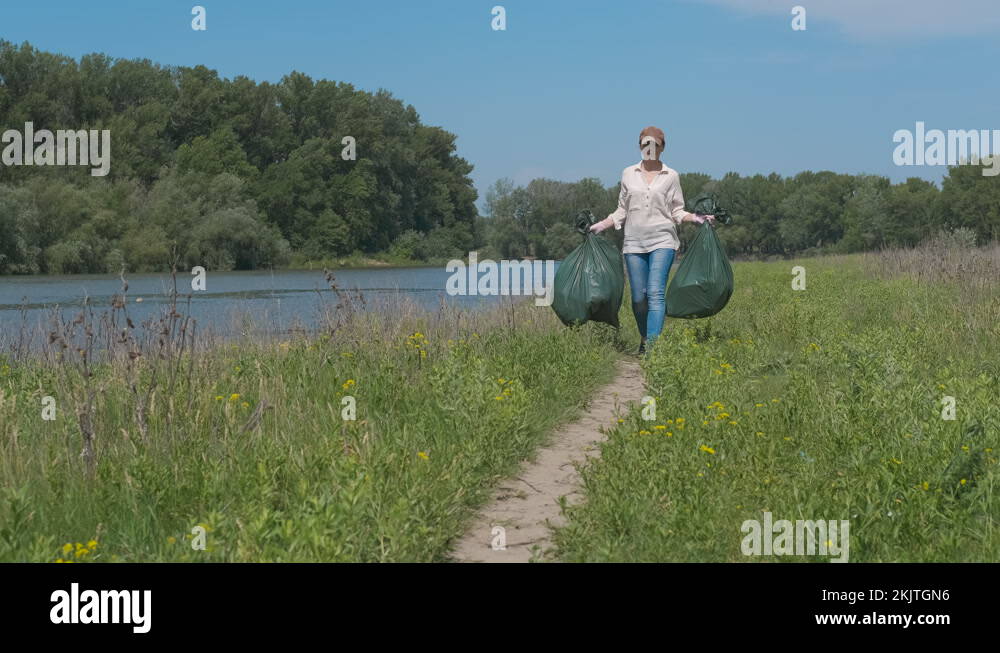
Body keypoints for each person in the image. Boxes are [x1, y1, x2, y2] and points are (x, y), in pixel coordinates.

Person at [590, 126, 714, 355]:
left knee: (655, 293)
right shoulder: (628, 173)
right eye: (646, 144)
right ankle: (646, 338)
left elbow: (677, 211)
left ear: (662, 148)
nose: (650, 149)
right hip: (633, 243)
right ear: (639, 146)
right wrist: (601, 225)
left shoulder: (671, 176)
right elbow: (621, 210)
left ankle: (653, 350)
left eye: (655, 145)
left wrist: (696, 218)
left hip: (663, 240)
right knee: (639, 298)